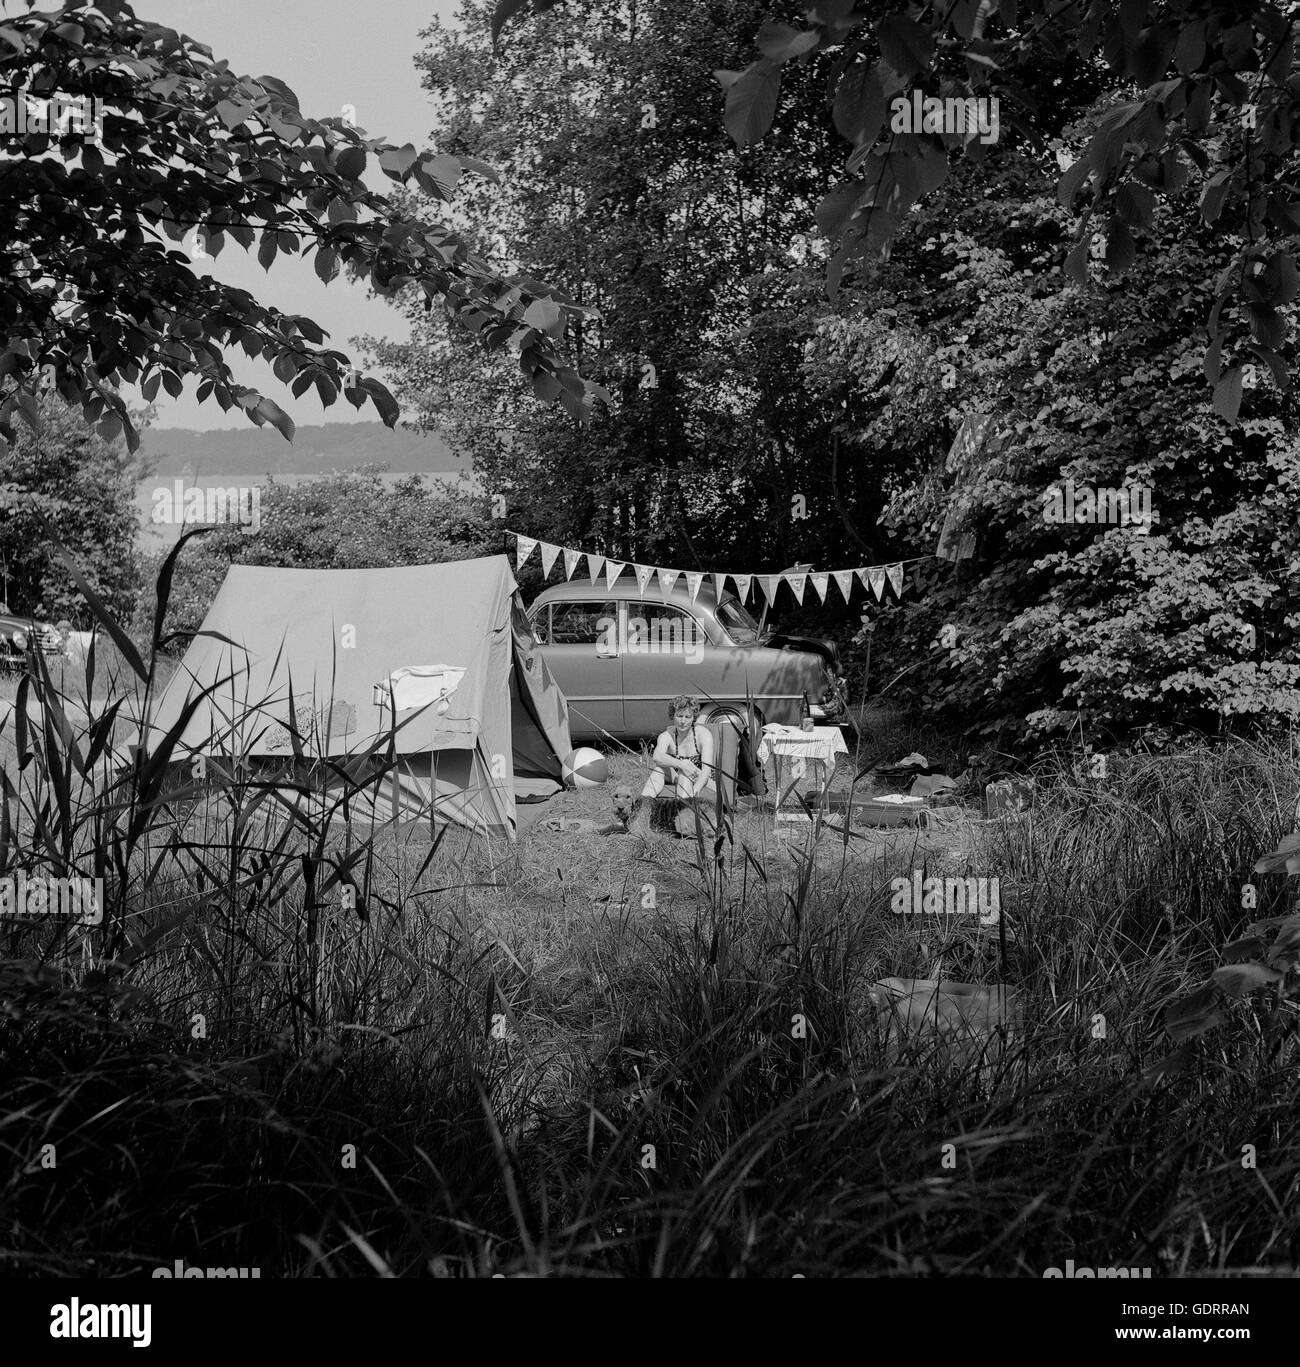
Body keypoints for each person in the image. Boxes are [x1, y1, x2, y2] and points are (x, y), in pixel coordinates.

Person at [628, 694, 716, 835]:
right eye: (679, 716)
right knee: (658, 770)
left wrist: (695, 790)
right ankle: (642, 811)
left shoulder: (702, 735)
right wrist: (682, 764)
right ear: (672, 715)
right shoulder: (667, 736)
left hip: (704, 781)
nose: (683, 721)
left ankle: (680, 819)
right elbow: (657, 756)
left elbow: (706, 771)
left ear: (693, 717)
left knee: (684, 776)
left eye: (687, 717)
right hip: (678, 775)